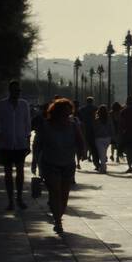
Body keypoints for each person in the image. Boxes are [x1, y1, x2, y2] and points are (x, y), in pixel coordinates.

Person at [38, 97, 88, 234]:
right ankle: (58, 221)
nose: (67, 116)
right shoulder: (46, 125)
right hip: (50, 163)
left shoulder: (73, 125)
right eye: (64, 113)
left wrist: (82, 151)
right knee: (55, 191)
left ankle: (58, 216)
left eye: (68, 113)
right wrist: (36, 161)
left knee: (64, 195)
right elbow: (38, 143)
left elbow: (80, 140)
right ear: (56, 112)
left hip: (67, 164)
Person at [0, 80, 33, 210]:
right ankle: (10, 200)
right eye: (15, 90)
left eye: (18, 90)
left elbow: (28, 124)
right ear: (10, 91)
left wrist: (28, 143)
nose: (17, 92)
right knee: (7, 173)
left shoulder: (24, 105)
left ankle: (19, 198)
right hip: (6, 144)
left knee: (20, 172)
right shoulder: (0, 105)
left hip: (20, 143)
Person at [78, 97, 98, 169]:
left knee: (84, 143)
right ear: (92, 101)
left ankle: (84, 155)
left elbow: (80, 117)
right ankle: (95, 162)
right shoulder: (95, 108)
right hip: (93, 128)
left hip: (84, 128)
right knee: (93, 145)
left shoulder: (82, 109)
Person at [92, 104, 111, 170]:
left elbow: (94, 129)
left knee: (101, 152)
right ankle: (104, 161)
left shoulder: (96, 120)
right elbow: (112, 128)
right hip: (107, 138)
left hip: (99, 138)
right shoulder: (109, 120)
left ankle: (103, 167)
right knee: (103, 151)